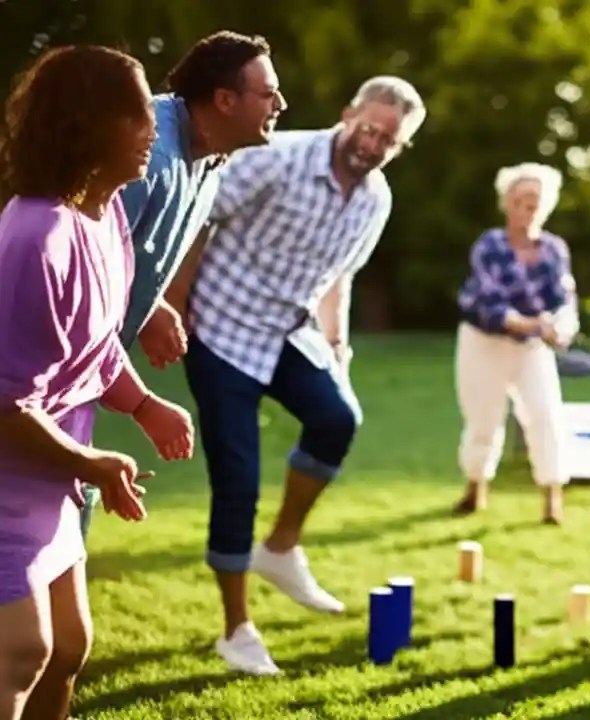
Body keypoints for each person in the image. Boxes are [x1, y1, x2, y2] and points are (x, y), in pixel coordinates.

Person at [169, 76, 425, 675]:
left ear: (399, 146)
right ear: (348, 114)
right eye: (368, 128)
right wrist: (174, 305)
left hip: (288, 331)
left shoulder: (375, 200)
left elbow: (339, 277)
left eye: (388, 140)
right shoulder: (276, 157)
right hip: (221, 327)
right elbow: (199, 218)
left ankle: (280, 547)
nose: (373, 144)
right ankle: (237, 630)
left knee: (338, 418)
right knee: (238, 478)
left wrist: (337, 346)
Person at [0, 45, 194, 719]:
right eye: (136, 115)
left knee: (68, 649)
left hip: (52, 470)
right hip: (9, 470)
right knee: (20, 653)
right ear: (88, 125)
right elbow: (3, 404)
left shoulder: (105, 215)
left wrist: (142, 405)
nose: (152, 129)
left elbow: (97, 344)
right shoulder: (37, 236)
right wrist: (92, 462)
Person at [78, 30, 285, 540]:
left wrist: (154, 305)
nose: (281, 103)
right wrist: (144, 404)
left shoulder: (210, 155)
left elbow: (136, 253)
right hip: (46, 370)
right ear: (224, 99)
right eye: (268, 92)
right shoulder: (145, 154)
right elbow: (83, 282)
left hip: (85, 371)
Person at [454, 162, 578, 525]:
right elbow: (489, 299)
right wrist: (527, 323)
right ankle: (476, 487)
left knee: (545, 416)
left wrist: (559, 329)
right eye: (521, 199)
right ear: (507, 203)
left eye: (536, 200)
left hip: (532, 347)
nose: (528, 206)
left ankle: (552, 498)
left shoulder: (555, 250)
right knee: (483, 419)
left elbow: (566, 300)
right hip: (484, 341)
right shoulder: (489, 245)